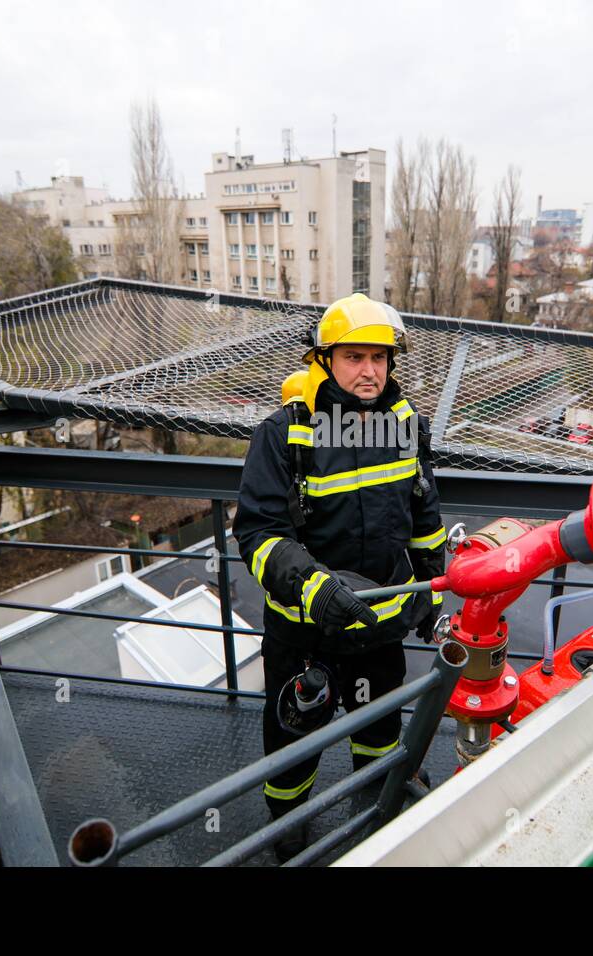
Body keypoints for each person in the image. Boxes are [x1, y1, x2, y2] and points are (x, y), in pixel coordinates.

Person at [234, 293, 446, 862]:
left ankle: (377, 808)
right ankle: (288, 825)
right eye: (354, 356)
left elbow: (424, 517)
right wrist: (313, 586)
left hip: (379, 630)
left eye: (379, 357)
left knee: (378, 732)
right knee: (291, 742)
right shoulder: (284, 435)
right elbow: (257, 533)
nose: (369, 370)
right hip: (304, 636)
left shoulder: (405, 426)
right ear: (324, 360)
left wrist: (433, 587)